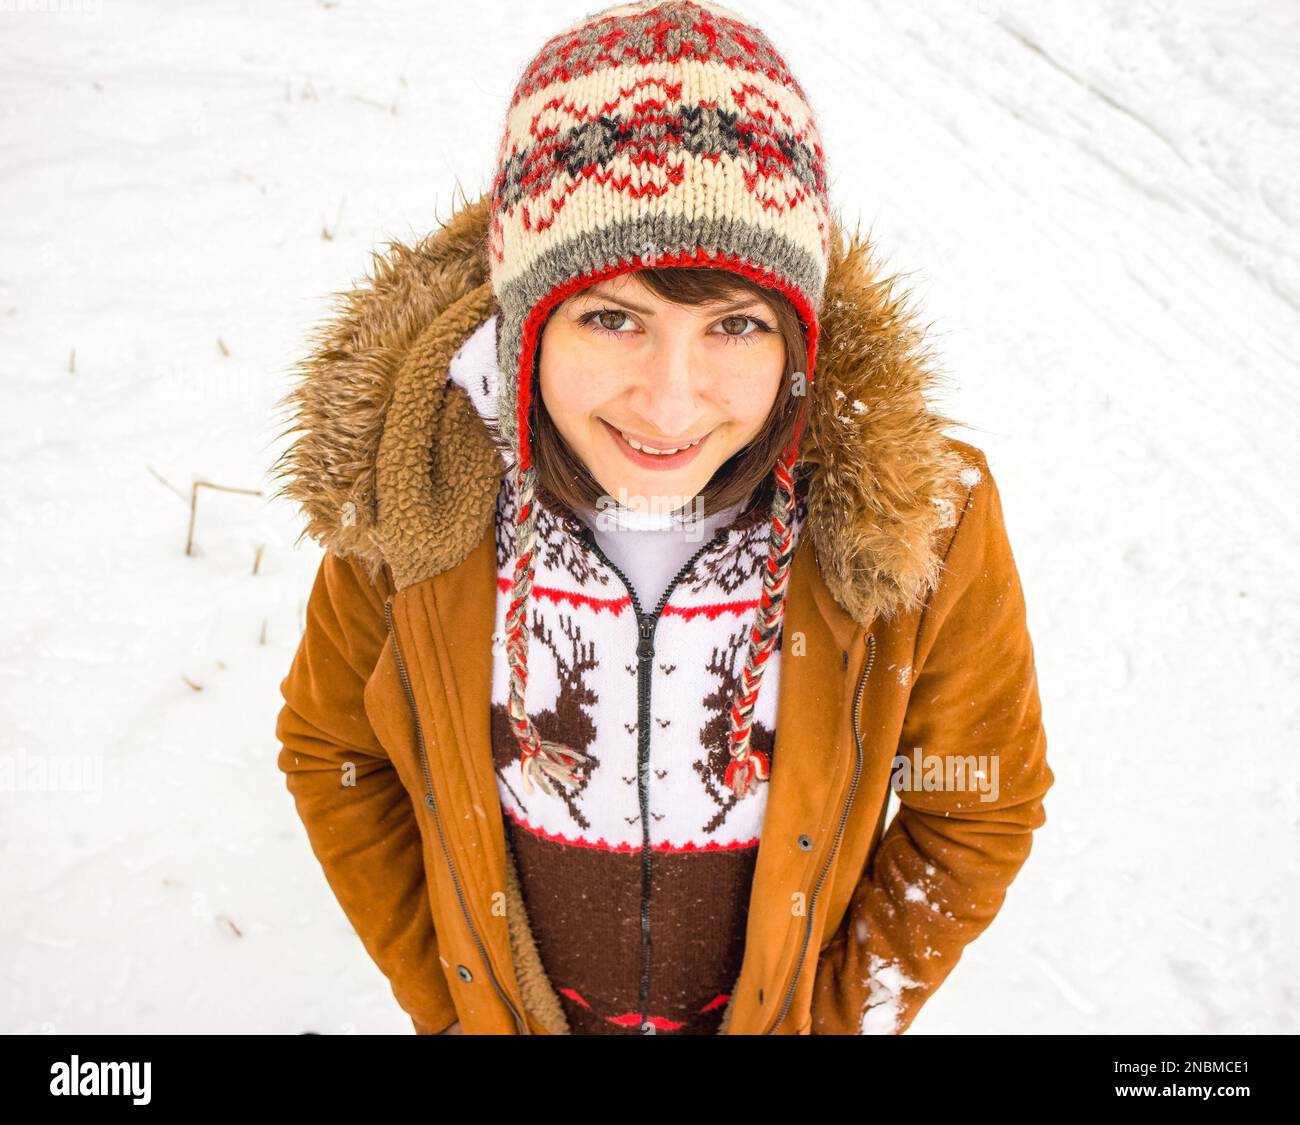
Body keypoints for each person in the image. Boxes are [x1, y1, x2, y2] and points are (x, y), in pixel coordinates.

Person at [269, 0, 1054, 1036]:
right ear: (526, 326)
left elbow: (977, 799)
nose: (672, 405)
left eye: (734, 324)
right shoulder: (420, 501)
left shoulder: (923, 527)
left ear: (798, 341)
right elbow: (338, 751)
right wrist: (455, 1001)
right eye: (611, 318)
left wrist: (825, 1020)